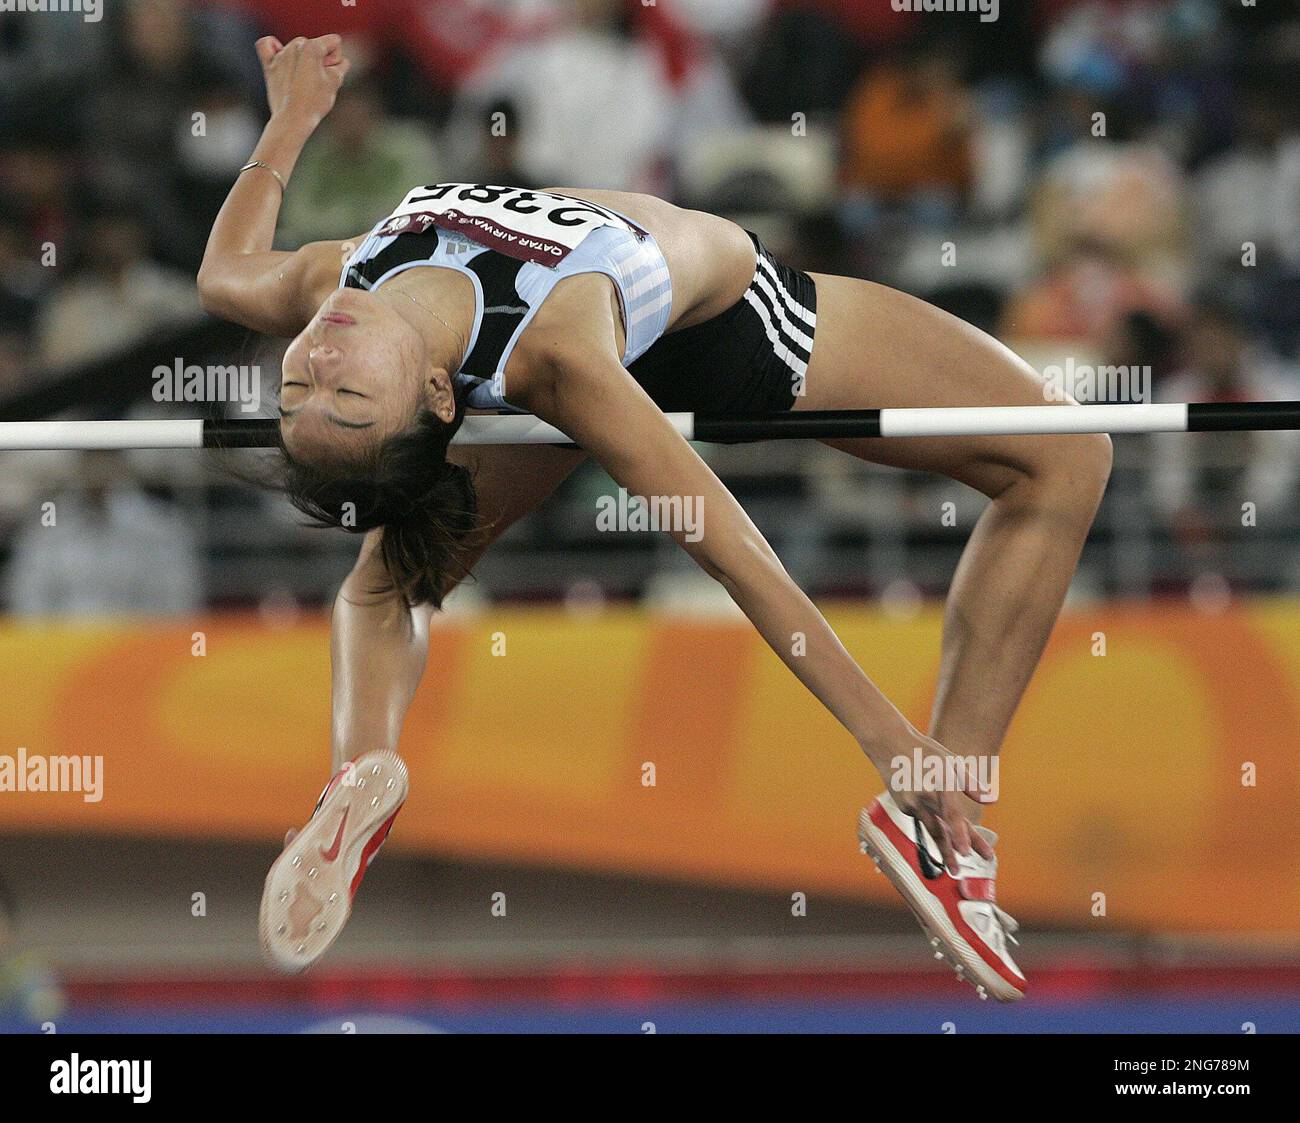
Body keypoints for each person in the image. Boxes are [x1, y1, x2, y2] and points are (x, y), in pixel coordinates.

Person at [198, 35, 1114, 1000]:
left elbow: (224, 273)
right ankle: (944, 816)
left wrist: (292, 119)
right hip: (728, 328)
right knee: (1067, 454)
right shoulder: (556, 356)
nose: (321, 369)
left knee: (390, 581)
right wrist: (887, 739)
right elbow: (730, 547)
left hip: (552, 353)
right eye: (347, 404)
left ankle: (362, 766)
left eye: (298, 387)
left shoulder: (334, 280)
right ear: (432, 396)